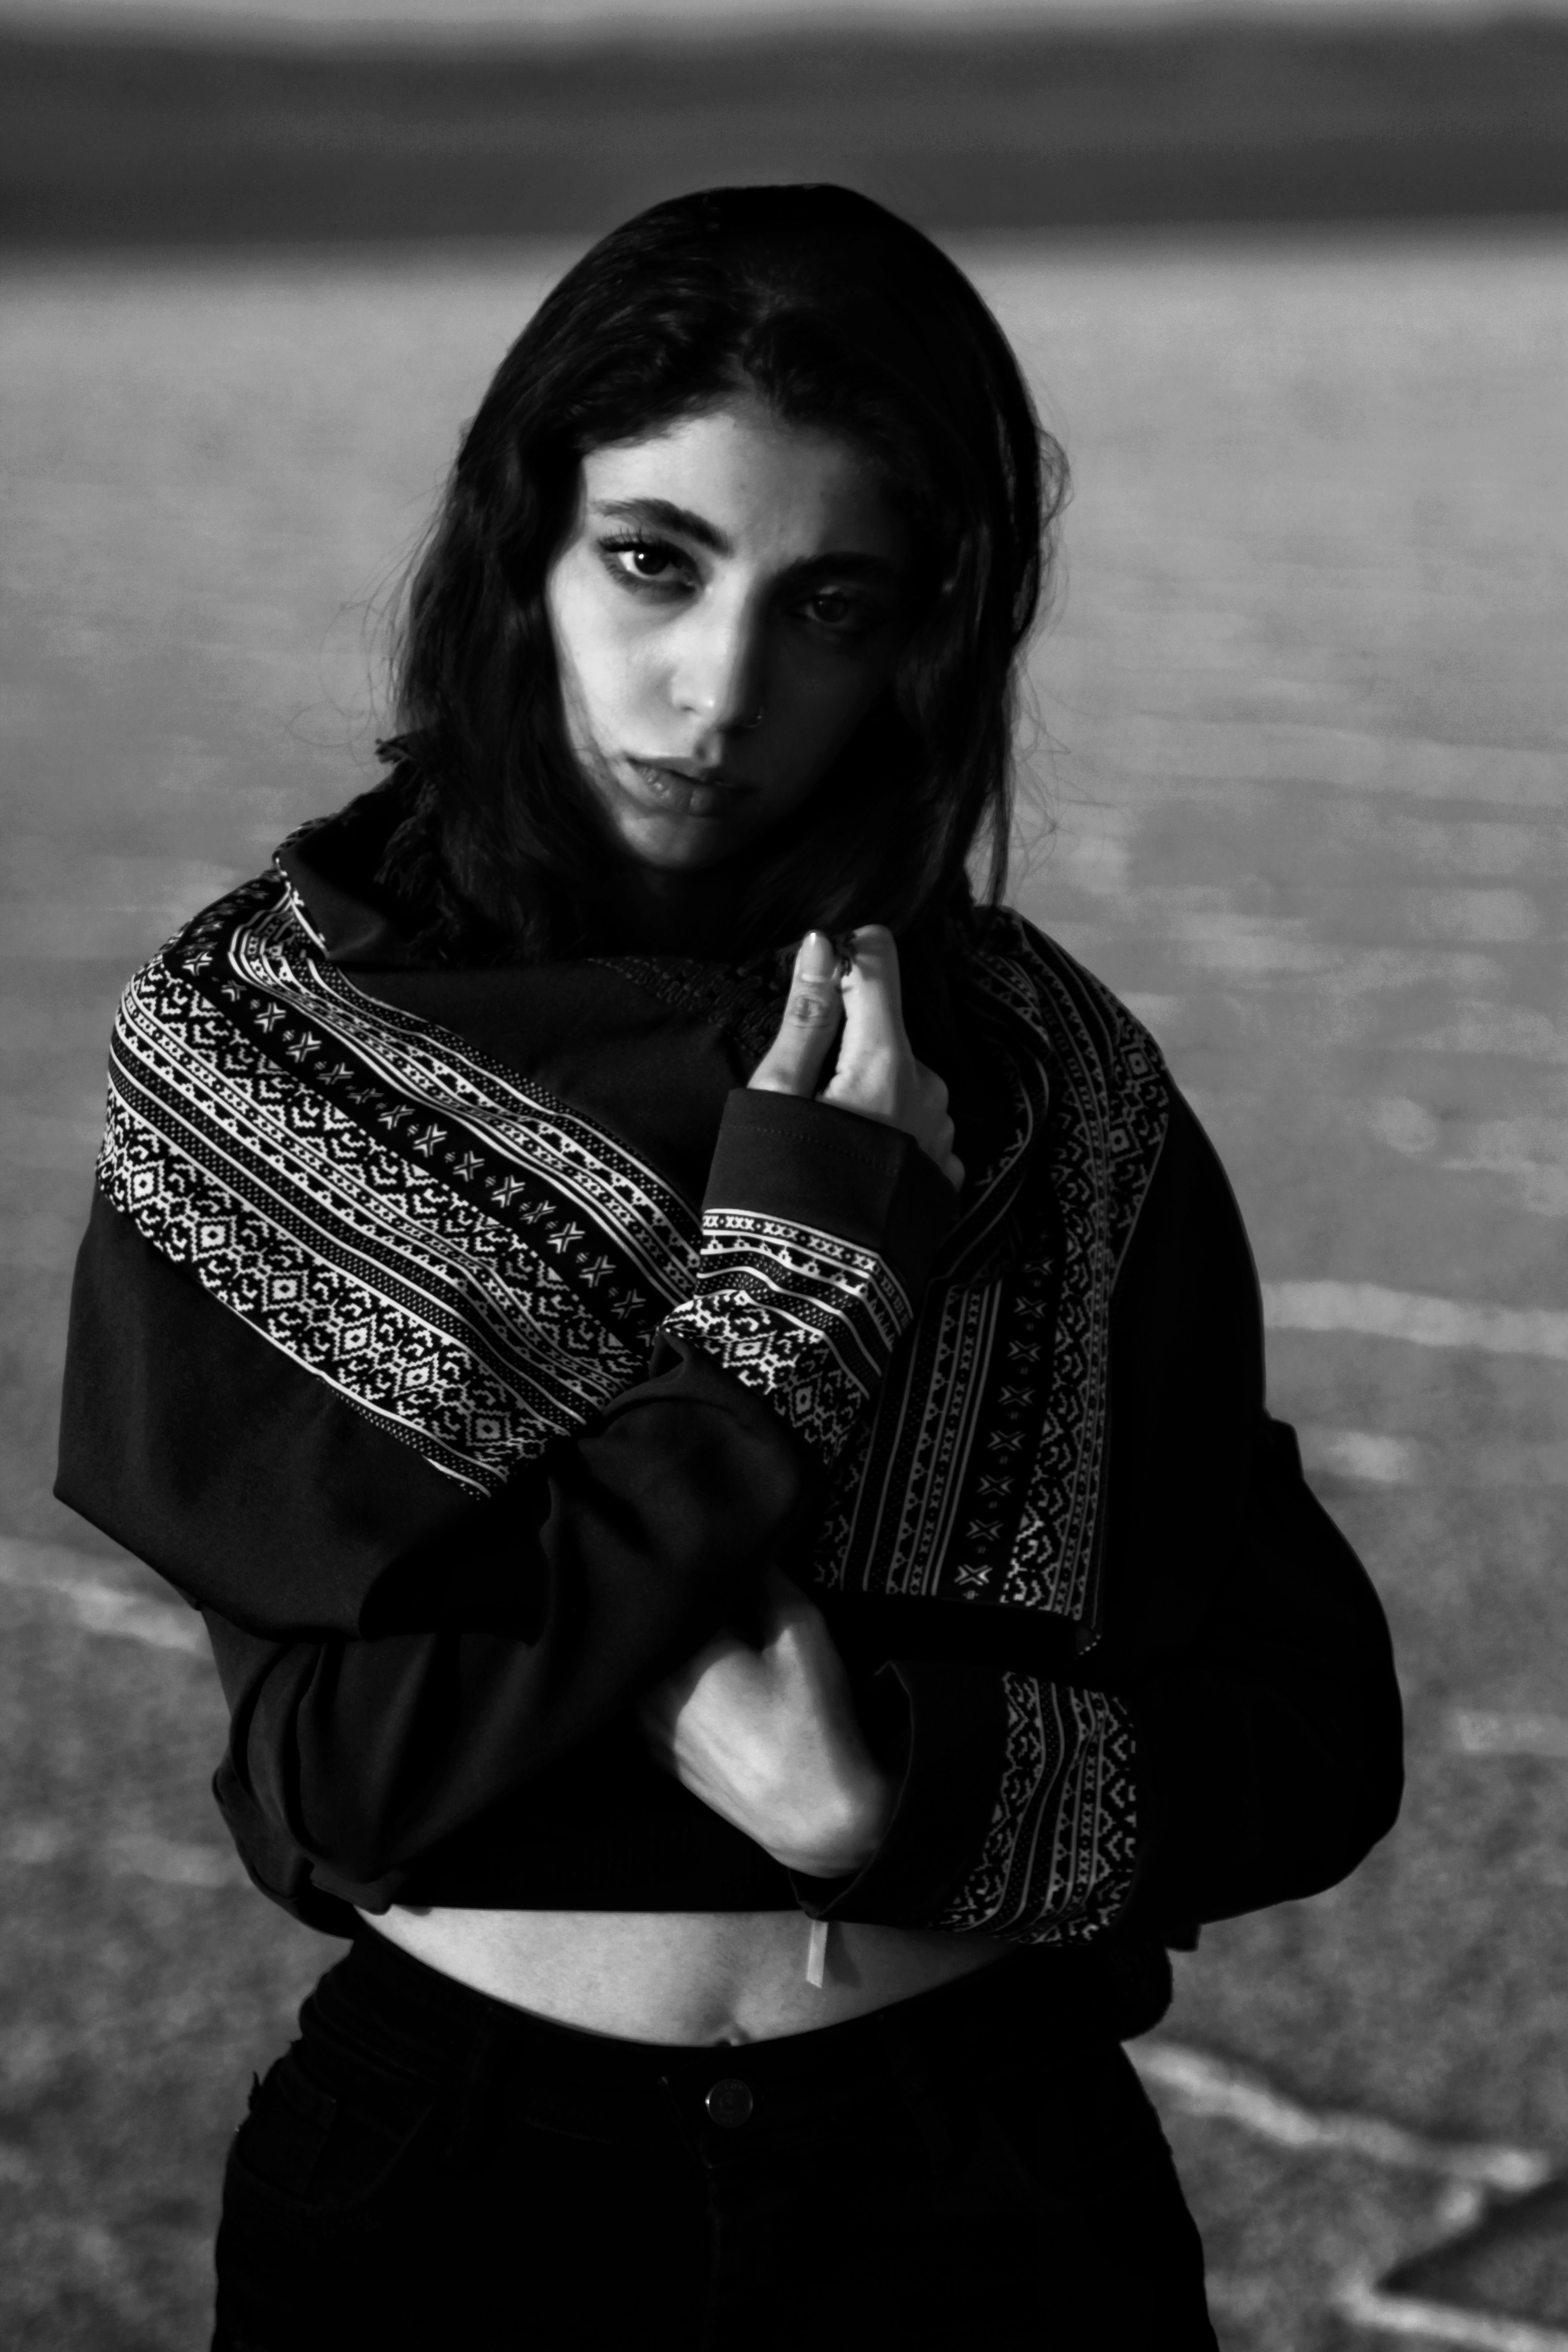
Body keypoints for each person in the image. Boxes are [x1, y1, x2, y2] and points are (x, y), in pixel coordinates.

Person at [56, 184, 1401, 2349]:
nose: (716, 687)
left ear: (932, 641)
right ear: (526, 549)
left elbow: (1310, 1738)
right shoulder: (273, 1048)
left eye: (832, 603)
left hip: (991, 2187)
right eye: (654, 564)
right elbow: (345, 1792)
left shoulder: (1051, 1082)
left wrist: (892, 1789)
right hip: (468, 2198)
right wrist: (786, 1311)